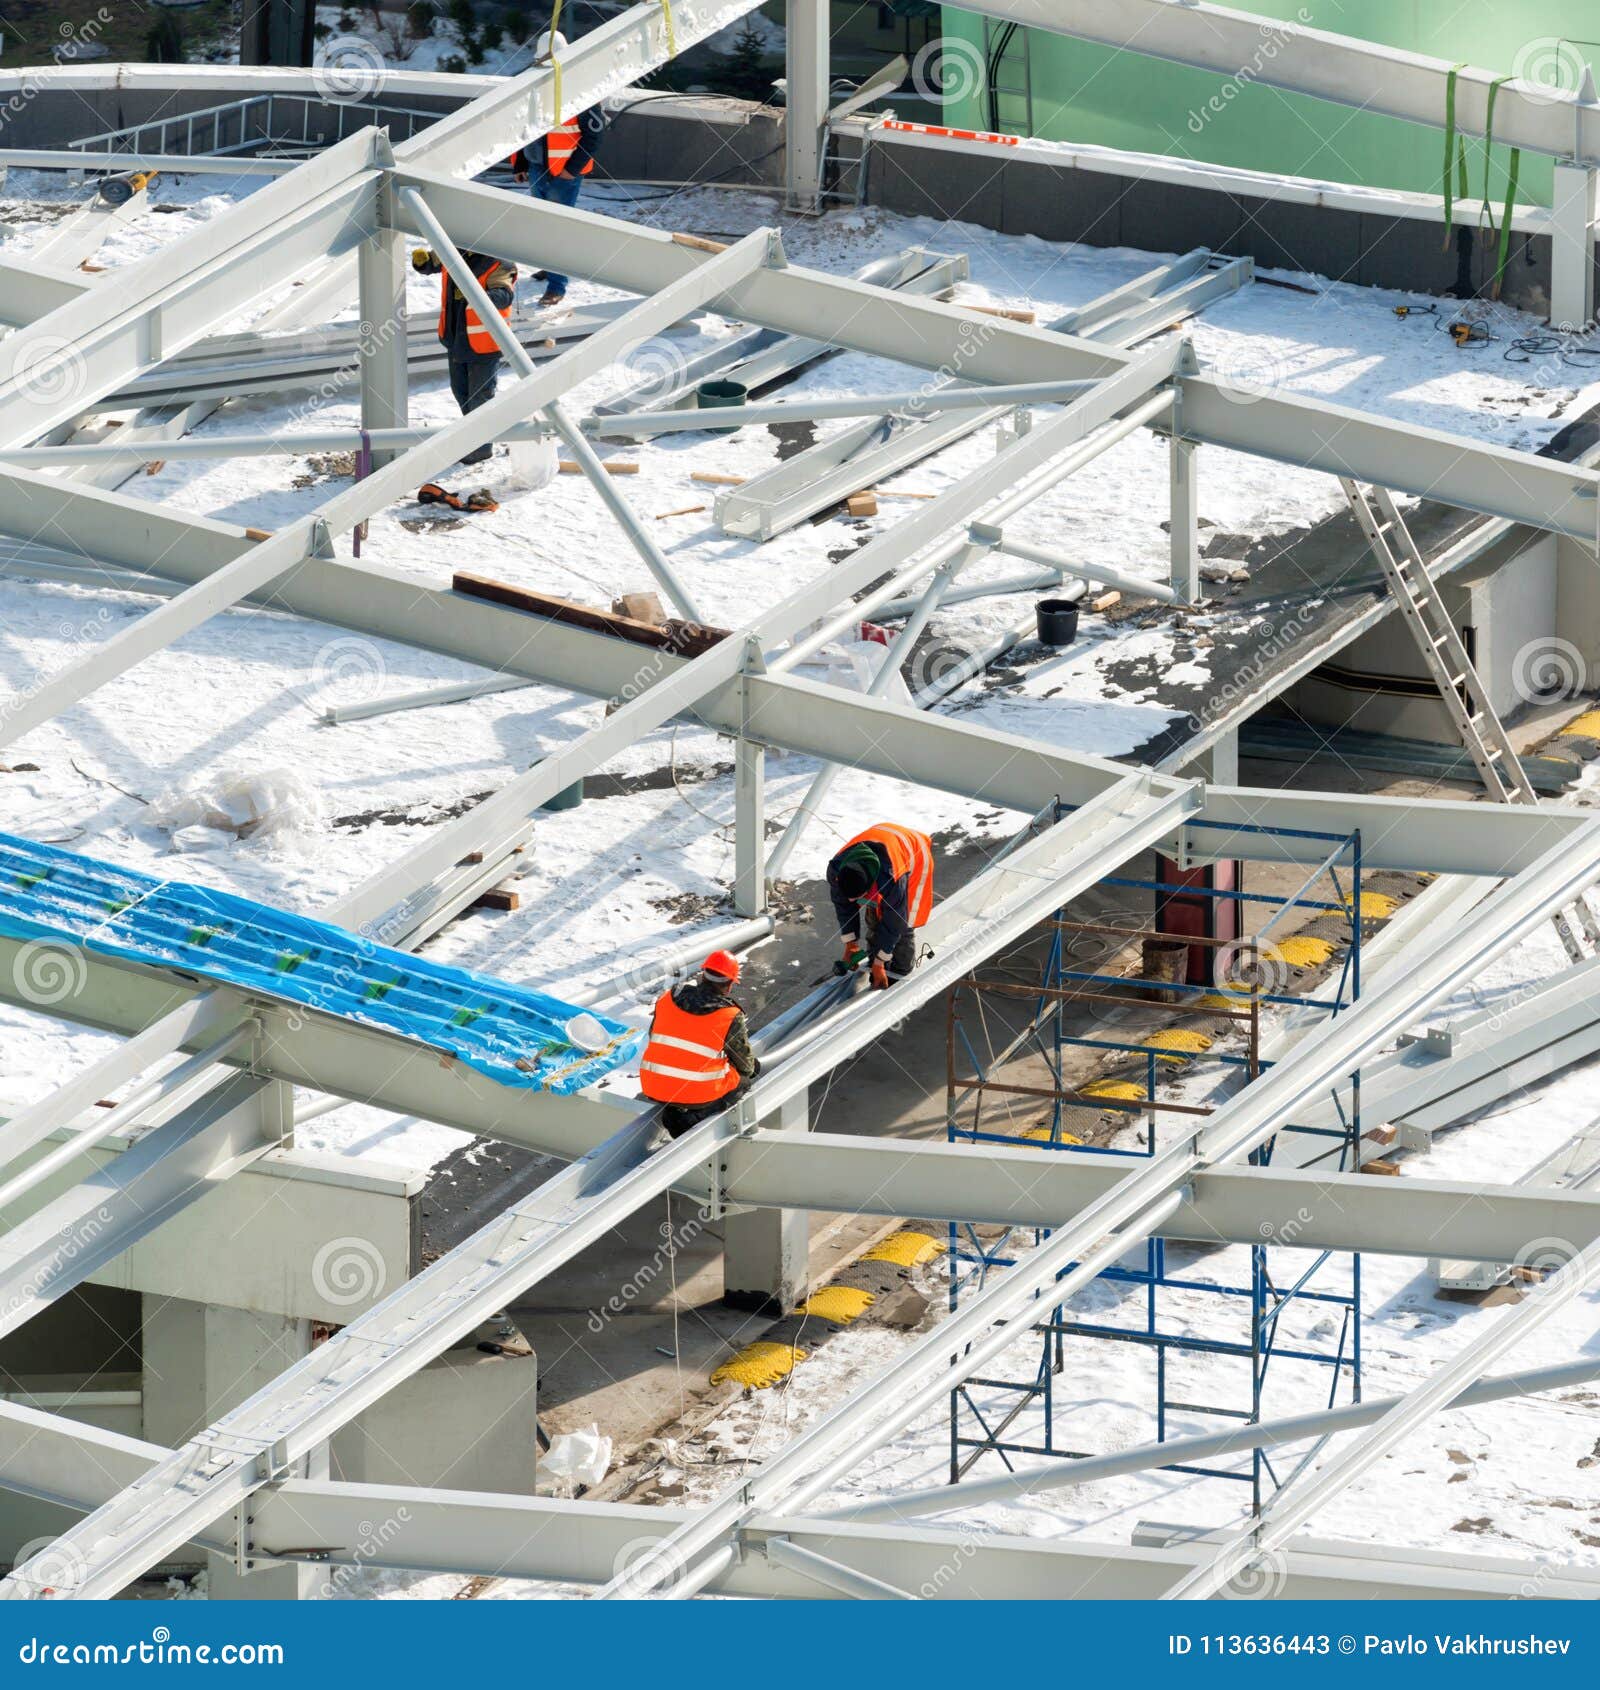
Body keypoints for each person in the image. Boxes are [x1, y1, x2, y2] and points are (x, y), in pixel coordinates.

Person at [509, 29, 607, 308]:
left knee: (558, 228)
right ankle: (550, 266)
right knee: (543, 223)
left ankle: (557, 285)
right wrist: (521, 163)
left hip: (563, 172)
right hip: (538, 166)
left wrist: (570, 171)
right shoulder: (535, 89)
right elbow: (524, 130)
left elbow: (595, 136)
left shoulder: (582, 91)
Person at [411, 247, 518, 466]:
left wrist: (479, 296)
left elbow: (504, 295)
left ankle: (481, 449)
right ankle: (473, 437)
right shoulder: (453, 250)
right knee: (461, 392)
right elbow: (431, 264)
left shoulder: (498, 262)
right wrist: (422, 262)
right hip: (456, 339)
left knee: (480, 397)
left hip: (483, 344)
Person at [638, 950, 760, 1138]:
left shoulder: (667, 998)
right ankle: (694, 1117)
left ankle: (678, 1111)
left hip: (653, 1086)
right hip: (697, 1095)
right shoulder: (729, 1015)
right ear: (729, 985)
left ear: (703, 975)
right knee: (744, 1081)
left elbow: (655, 1035)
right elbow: (746, 1066)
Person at [826, 823, 934, 990]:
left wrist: (880, 962)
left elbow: (895, 923)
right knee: (875, 916)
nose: (852, 901)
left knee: (904, 923)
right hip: (882, 840)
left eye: (857, 897)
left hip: (914, 853)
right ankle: (876, 962)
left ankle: (900, 971)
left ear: (870, 884)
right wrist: (850, 943)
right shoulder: (836, 870)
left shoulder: (893, 878)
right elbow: (843, 907)